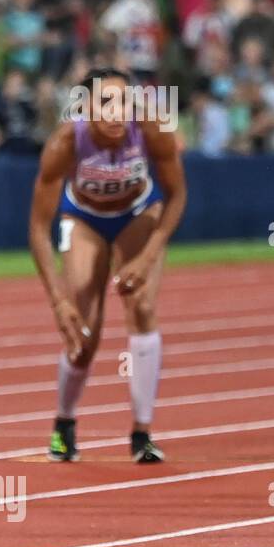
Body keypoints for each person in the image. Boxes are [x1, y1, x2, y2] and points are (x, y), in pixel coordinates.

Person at [28, 69, 187, 464]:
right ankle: (64, 424)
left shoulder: (151, 128)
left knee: (143, 307)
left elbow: (178, 194)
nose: (117, 113)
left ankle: (142, 433)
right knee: (84, 334)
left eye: (124, 102)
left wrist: (149, 254)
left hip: (138, 213)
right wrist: (57, 300)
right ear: (85, 108)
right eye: (105, 103)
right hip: (84, 219)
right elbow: (36, 226)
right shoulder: (66, 141)